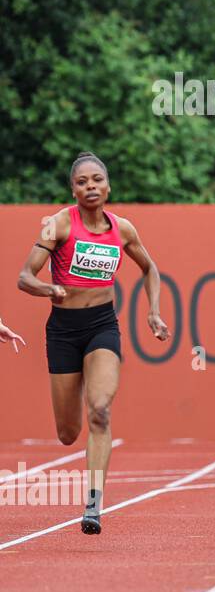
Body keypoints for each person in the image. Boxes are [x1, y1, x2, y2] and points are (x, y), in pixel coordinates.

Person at [16, 152, 171, 534]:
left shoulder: (123, 230)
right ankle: (83, 470)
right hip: (64, 330)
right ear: (73, 188)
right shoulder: (59, 225)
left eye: (97, 180)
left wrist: (153, 311)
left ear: (108, 185)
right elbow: (24, 277)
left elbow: (150, 268)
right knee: (68, 433)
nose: (91, 187)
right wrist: (47, 287)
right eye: (82, 181)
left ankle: (93, 503)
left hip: (102, 325)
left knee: (100, 410)